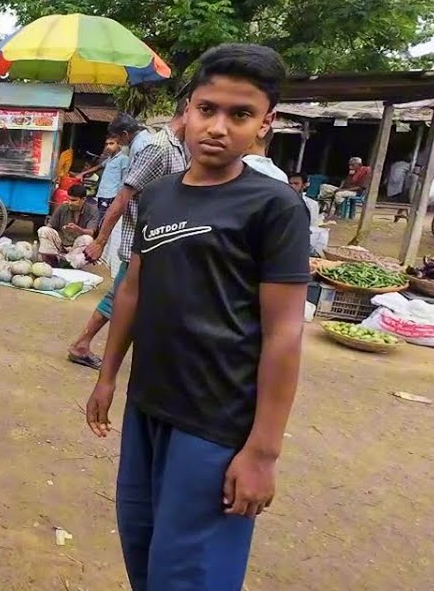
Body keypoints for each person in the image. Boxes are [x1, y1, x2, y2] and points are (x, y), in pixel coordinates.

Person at [86, 43, 308, 591]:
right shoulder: (158, 198)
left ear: (265, 124)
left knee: (191, 576)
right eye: (207, 109)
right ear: (186, 111)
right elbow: (134, 289)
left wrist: (262, 450)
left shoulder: (274, 206)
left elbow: (284, 332)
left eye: (241, 114)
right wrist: (109, 375)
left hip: (216, 425)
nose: (218, 127)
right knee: (144, 552)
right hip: (149, 407)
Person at [70, 109, 189, 369]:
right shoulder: (156, 148)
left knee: (132, 299)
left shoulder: (177, 147)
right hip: (144, 243)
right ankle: (83, 345)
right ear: (189, 110)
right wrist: (100, 241)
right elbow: (123, 198)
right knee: (121, 298)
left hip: (159, 242)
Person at [37, 184, 96, 269]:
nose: (70, 203)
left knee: (88, 239)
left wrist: (77, 229)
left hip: (76, 247)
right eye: (68, 199)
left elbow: (91, 232)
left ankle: (69, 265)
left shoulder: (92, 210)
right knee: (44, 230)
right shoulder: (63, 207)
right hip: (61, 244)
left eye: (73, 200)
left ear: (83, 199)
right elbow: (50, 226)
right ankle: (51, 262)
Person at [93, 135, 129, 232]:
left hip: (111, 195)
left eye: (111, 144)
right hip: (102, 193)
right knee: (99, 218)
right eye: (107, 144)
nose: (108, 146)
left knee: (104, 220)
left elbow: (124, 177)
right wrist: (83, 173)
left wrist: (119, 195)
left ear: (119, 145)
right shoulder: (109, 159)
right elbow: (100, 166)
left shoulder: (123, 159)